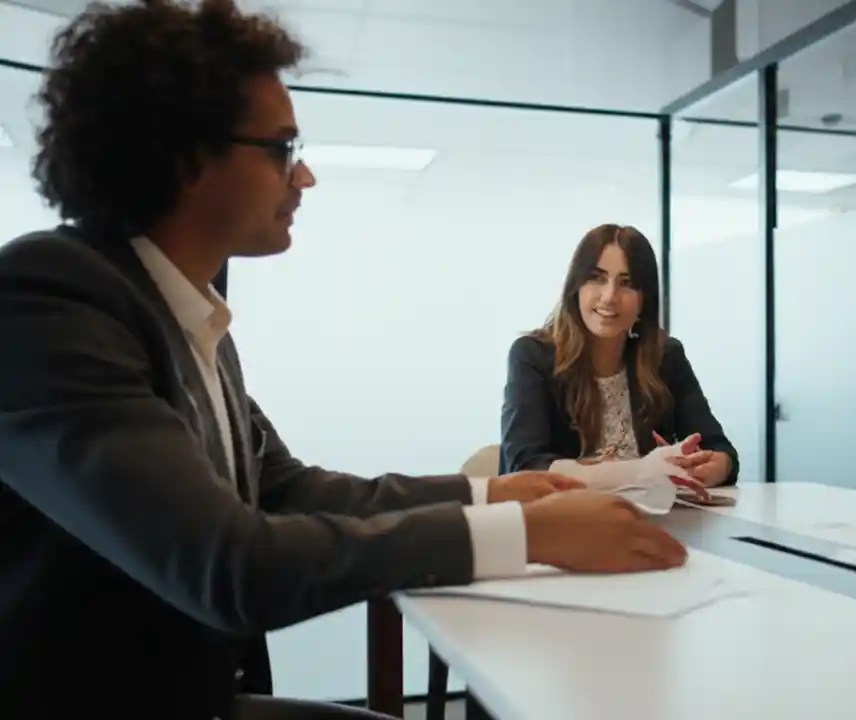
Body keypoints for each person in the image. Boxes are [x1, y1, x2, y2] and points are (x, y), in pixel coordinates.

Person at [0, 2, 685, 717]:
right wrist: (525, 534)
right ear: (186, 154)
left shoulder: (192, 320)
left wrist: (491, 495)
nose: (305, 179)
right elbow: (230, 564)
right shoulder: (50, 300)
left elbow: (288, 490)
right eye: (283, 150)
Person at [501, 224, 739, 488]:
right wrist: (643, 471)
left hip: (649, 518)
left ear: (643, 300)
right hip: (561, 520)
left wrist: (718, 466)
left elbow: (716, 447)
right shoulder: (532, 355)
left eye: (626, 283)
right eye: (597, 277)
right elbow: (526, 466)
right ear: (576, 287)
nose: (609, 296)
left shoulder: (666, 356)